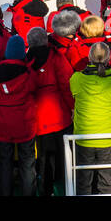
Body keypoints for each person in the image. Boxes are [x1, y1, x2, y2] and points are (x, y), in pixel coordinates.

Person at [69, 41, 111, 194]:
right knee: (107, 185)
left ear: (89, 58)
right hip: (108, 138)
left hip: (84, 138)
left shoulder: (76, 79)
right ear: (109, 59)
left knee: (83, 184)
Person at [0, 35, 38, 197]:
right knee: (27, 162)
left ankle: (5, 192)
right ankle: (28, 193)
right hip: (24, 123)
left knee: (4, 161)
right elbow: (34, 88)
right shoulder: (28, 73)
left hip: (1, 122)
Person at [27, 26, 74, 197]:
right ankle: (64, 186)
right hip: (59, 115)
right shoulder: (56, 57)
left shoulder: (26, 61)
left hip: (38, 119)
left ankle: (46, 188)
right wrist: (72, 107)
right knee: (62, 154)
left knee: (44, 157)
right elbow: (66, 85)